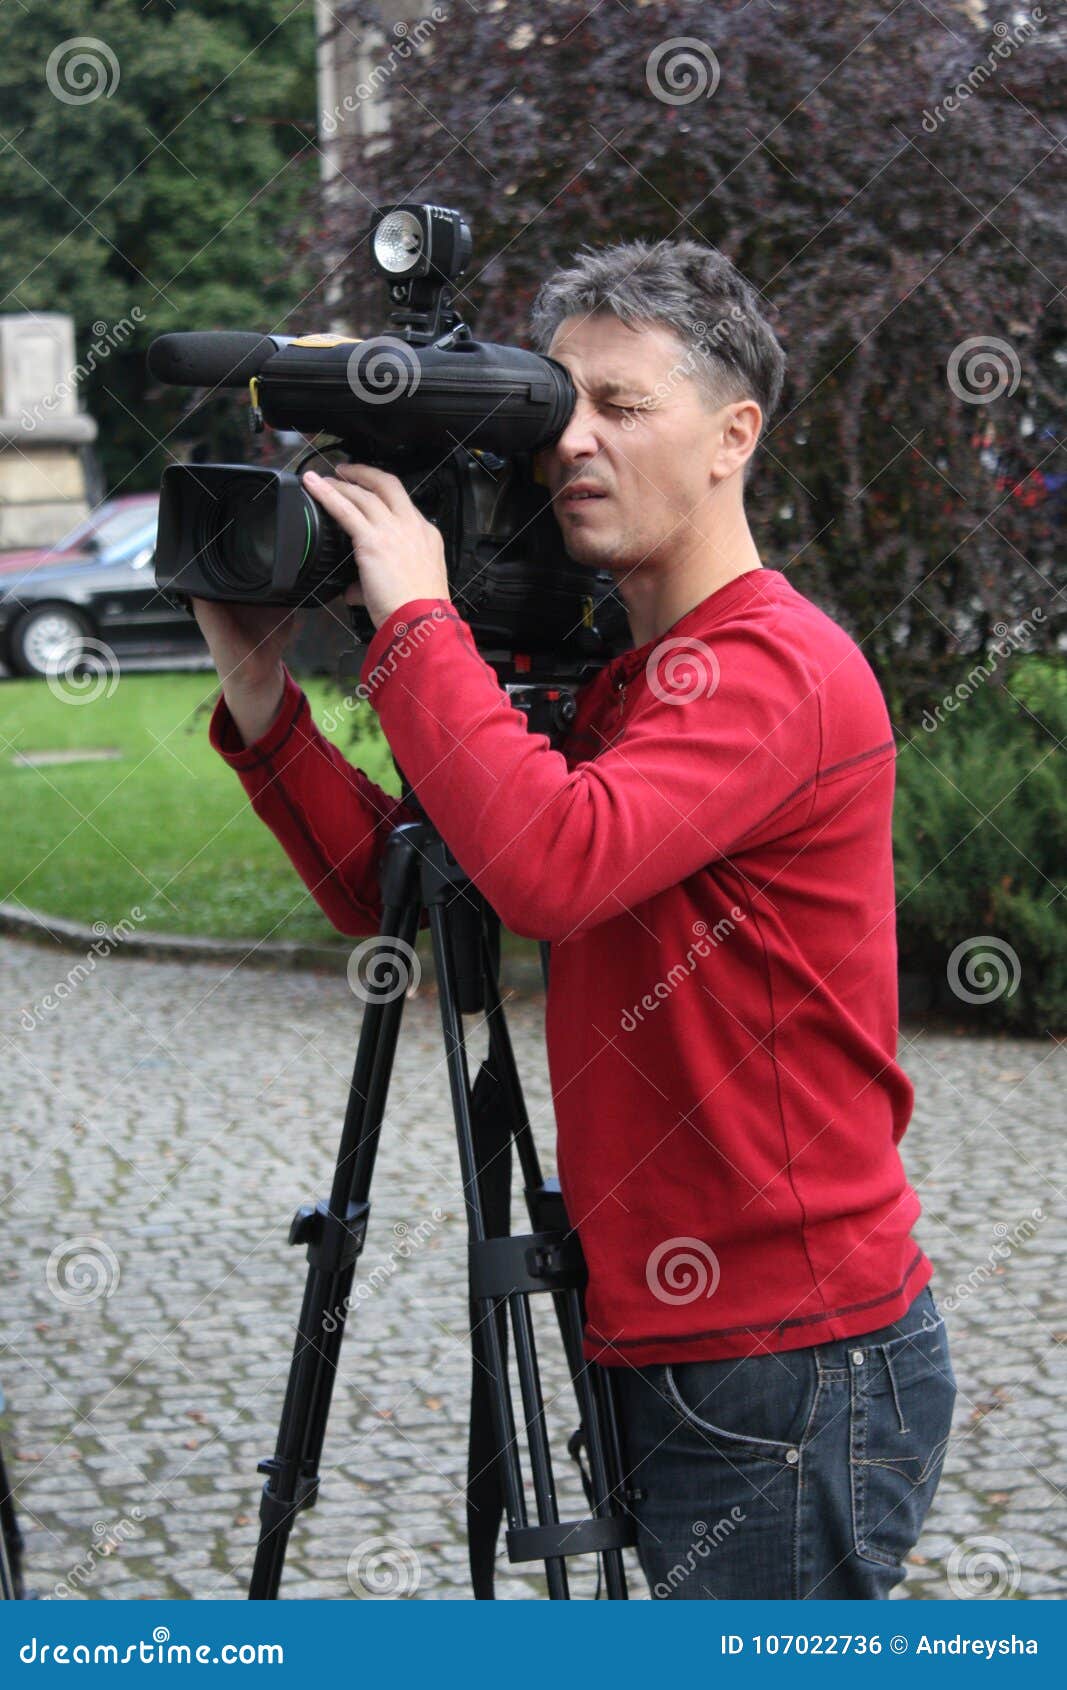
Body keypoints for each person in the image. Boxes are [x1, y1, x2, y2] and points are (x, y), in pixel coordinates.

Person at [195, 238, 956, 1599]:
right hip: (665, 1334)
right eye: (557, 407)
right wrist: (262, 697)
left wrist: (418, 620)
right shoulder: (630, 681)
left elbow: (552, 860)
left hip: (791, 1358)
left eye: (621, 404)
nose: (575, 443)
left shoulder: (775, 668)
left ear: (736, 435)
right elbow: (409, 887)